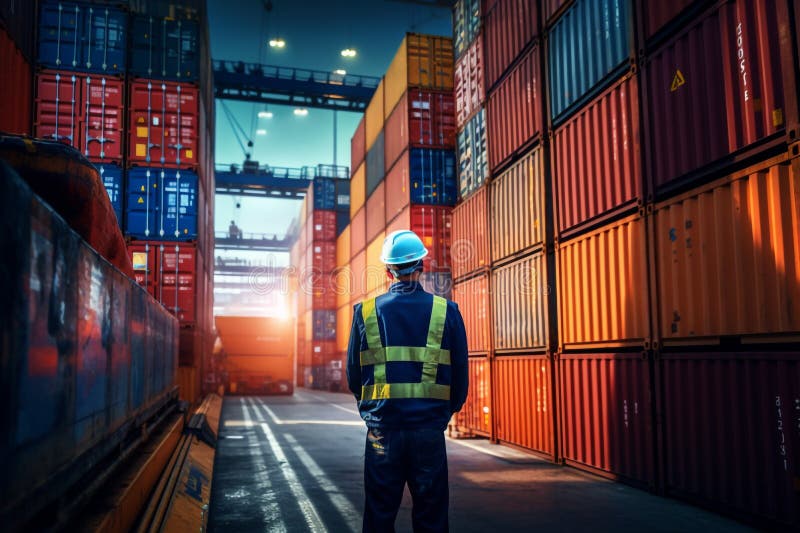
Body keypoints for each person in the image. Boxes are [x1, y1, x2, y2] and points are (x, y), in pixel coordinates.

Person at [347, 230, 469, 533]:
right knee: (431, 517)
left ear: (388, 271)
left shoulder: (365, 312)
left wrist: (374, 412)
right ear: (421, 266)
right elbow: (461, 380)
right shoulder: (447, 311)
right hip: (428, 430)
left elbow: (353, 376)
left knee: (378, 515)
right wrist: (440, 415)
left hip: (382, 431)